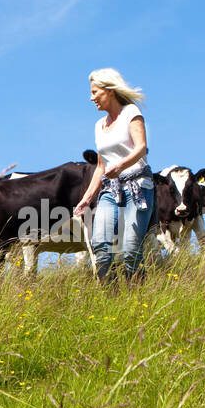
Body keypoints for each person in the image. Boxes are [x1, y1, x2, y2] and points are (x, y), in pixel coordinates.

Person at [74, 68, 155, 284]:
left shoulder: (131, 112)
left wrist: (120, 166)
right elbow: (101, 166)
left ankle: (137, 296)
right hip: (111, 191)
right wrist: (87, 198)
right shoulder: (99, 126)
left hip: (138, 187)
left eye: (94, 92)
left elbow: (141, 148)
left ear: (109, 90)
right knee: (100, 245)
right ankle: (111, 296)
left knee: (130, 250)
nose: (91, 98)